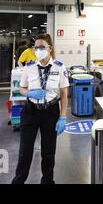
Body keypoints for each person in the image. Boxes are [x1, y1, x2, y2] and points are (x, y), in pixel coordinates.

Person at [12, 34, 69, 184]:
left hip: (50, 112)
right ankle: (18, 181)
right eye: (36, 47)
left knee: (48, 152)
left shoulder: (59, 66)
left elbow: (64, 95)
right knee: (25, 151)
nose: (38, 50)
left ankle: (48, 181)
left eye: (42, 47)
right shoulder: (29, 67)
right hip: (31, 111)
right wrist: (29, 93)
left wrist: (63, 117)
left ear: (50, 49)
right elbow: (22, 89)